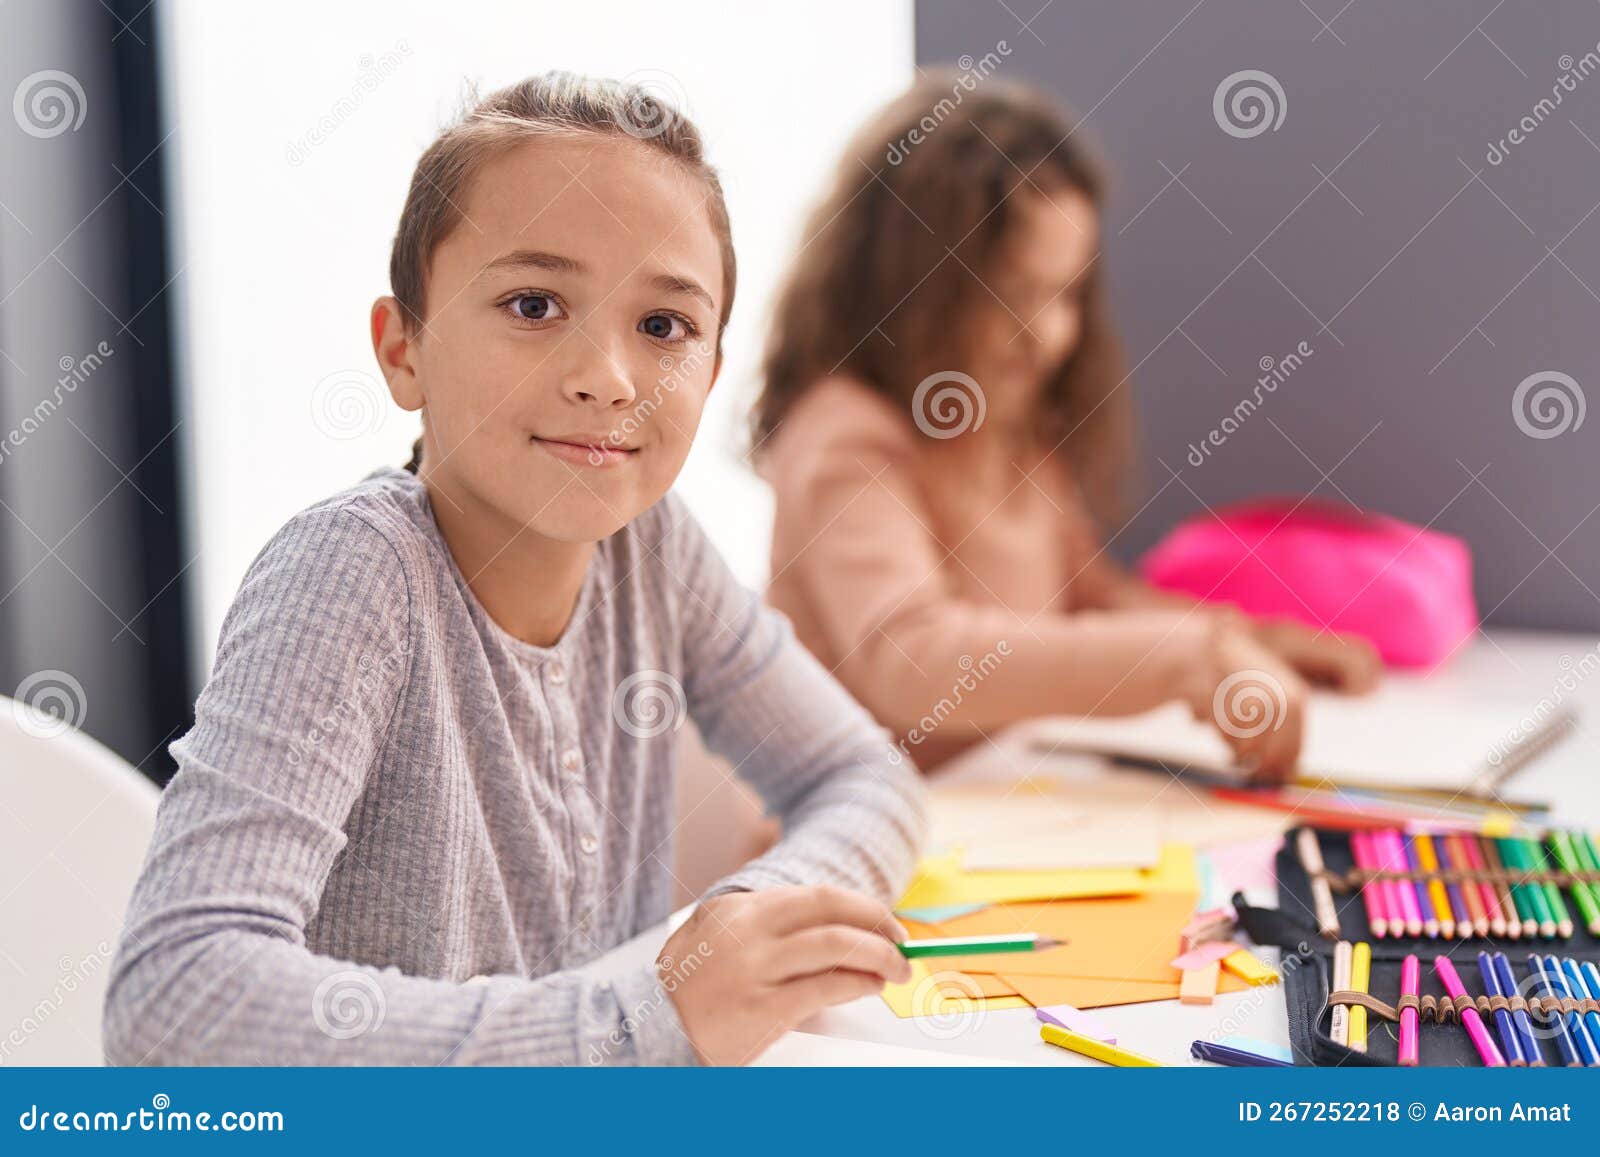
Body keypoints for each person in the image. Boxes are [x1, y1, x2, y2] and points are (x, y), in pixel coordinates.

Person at [103, 73, 924, 1069]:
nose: (607, 377)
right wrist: (638, 1022)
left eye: (664, 327)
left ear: (709, 373)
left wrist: (748, 927)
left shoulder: (652, 545)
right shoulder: (354, 573)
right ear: (403, 349)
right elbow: (172, 1002)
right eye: (533, 304)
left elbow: (865, 773)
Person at [755, 77, 1380, 778]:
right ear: (910, 285)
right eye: (1011, 296)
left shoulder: (1009, 420)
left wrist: (1248, 640)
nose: (1046, 334)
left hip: (995, 806)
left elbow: (1091, 598)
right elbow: (910, 656)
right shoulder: (845, 434)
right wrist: (1188, 658)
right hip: (856, 847)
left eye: (1065, 293)